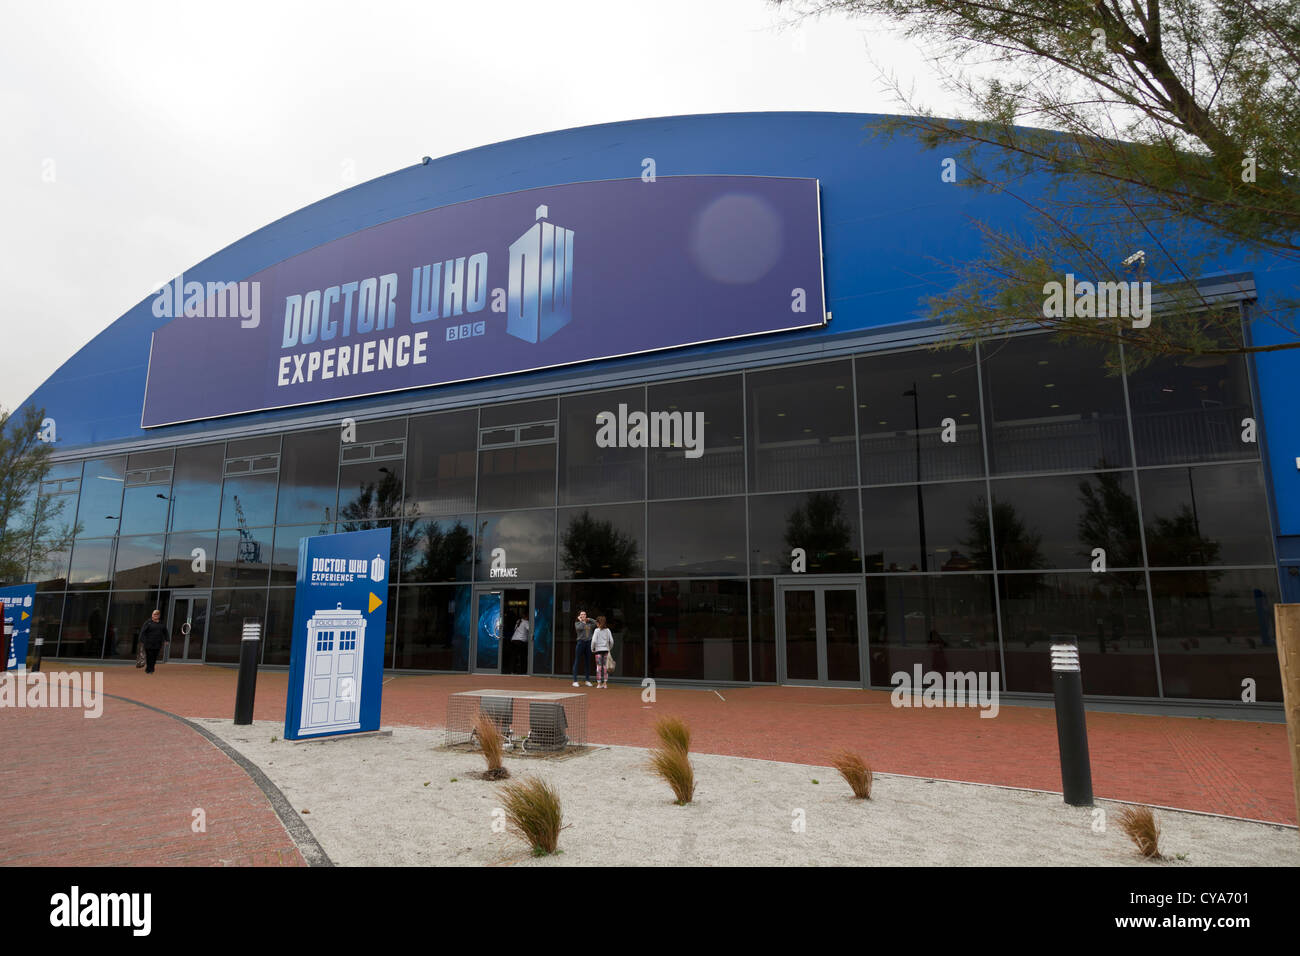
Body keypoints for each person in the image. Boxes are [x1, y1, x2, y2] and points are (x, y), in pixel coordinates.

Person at [138, 609, 169, 674]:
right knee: (149, 656)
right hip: (148, 643)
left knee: (154, 657)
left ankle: (151, 668)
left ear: (159, 616)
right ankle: (149, 669)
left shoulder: (161, 623)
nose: (154, 616)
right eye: (153, 614)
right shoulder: (148, 622)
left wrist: (167, 640)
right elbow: (143, 632)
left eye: (156, 614)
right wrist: (142, 640)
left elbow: (165, 632)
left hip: (157, 643)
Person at [572, 610, 595, 687]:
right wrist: (581, 621)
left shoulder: (589, 624)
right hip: (581, 643)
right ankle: (575, 680)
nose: (583, 615)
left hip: (588, 643)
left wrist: (589, 619)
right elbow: (580, 628)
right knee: (577, 661)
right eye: (582, 614)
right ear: (579, 616)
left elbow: (595, 623)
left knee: (587, 661)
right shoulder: (577, 623)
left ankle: (587, 680)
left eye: (585, 614)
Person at [591, 615, 614, 688]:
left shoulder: (596, 630)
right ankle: (605, 683)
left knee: (599, 667)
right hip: (606, 650)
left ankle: (599, 684)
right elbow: (612, 641)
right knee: (605, 667)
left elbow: (594, 641)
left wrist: (592, 648)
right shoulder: (608, 630)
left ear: (598, 622)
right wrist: (609, 648)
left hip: (598, 651)